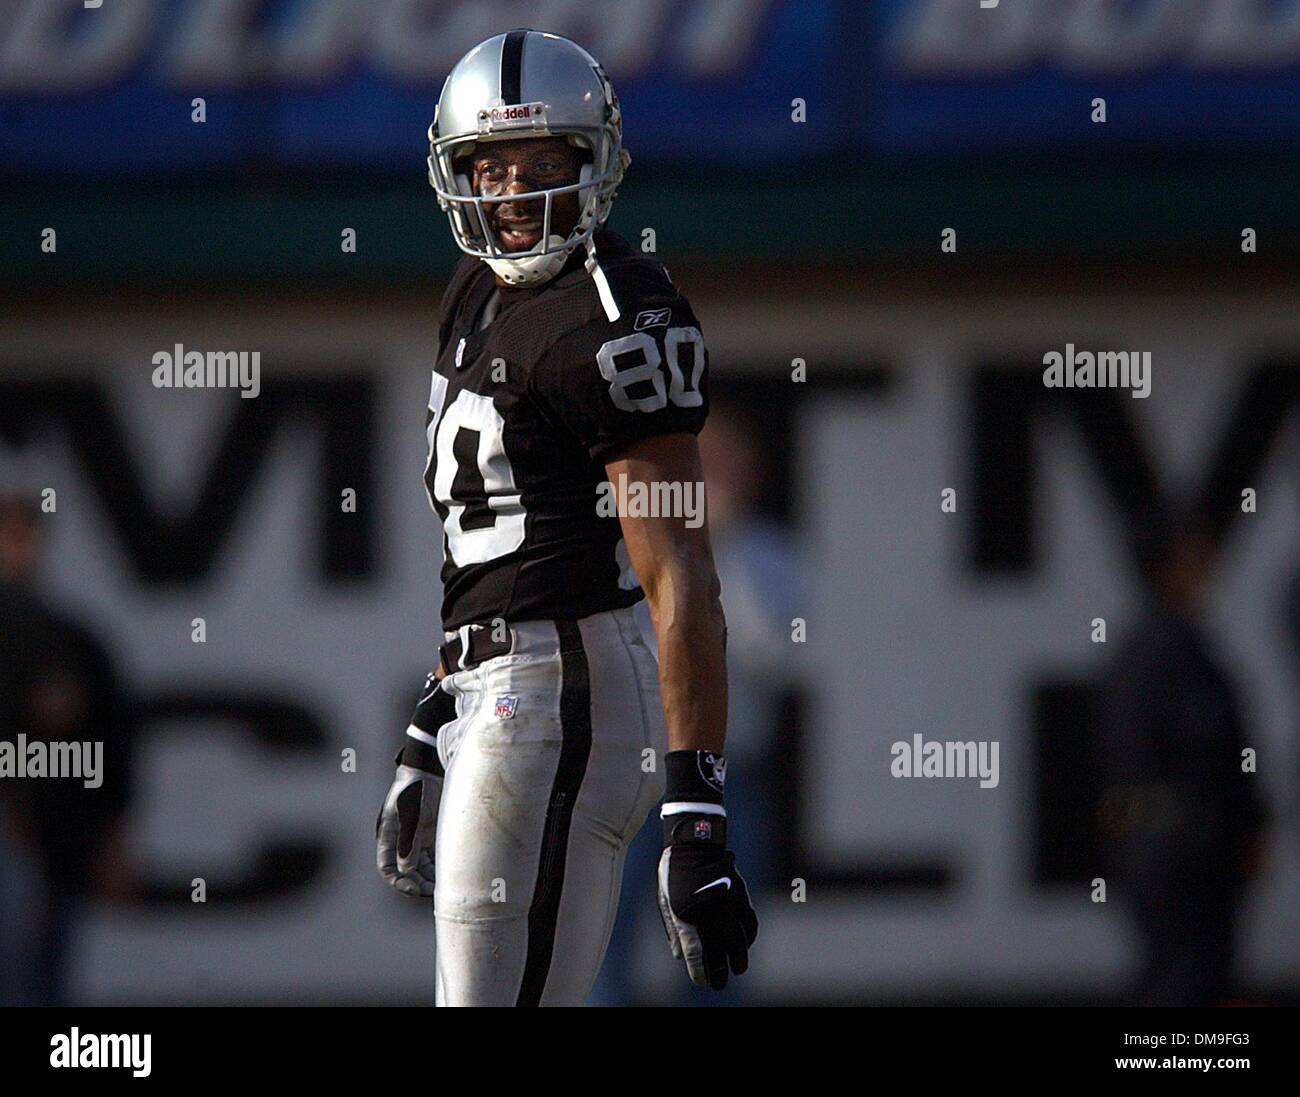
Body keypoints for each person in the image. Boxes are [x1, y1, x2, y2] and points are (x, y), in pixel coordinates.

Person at [374, 29, 758, 1006]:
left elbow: (679, 576)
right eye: (490, 165)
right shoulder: (473, 293)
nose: (515, 191)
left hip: (564, 686)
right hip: (497, 681)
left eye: (543, 162)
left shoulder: (615, 313)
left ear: (597, 163)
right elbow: (497, 547)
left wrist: (696, 809)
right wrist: (433, 718)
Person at [1096, 514, 1269, 1006]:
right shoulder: (1166, 660)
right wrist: (1234, 827)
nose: (1207, 569)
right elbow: (1207, 757)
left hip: (1172, 853)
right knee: (1186, 984)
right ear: (1166, 568)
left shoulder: (1156, 654)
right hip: (1184, 857)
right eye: (1192, 559)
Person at [0, 491, 137, 1005]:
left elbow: (114, 741)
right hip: (17, 837)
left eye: (25, 535)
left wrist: (113, 834)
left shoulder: (70, 641)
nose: (19, 549)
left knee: (43, 976)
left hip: (58, 842)